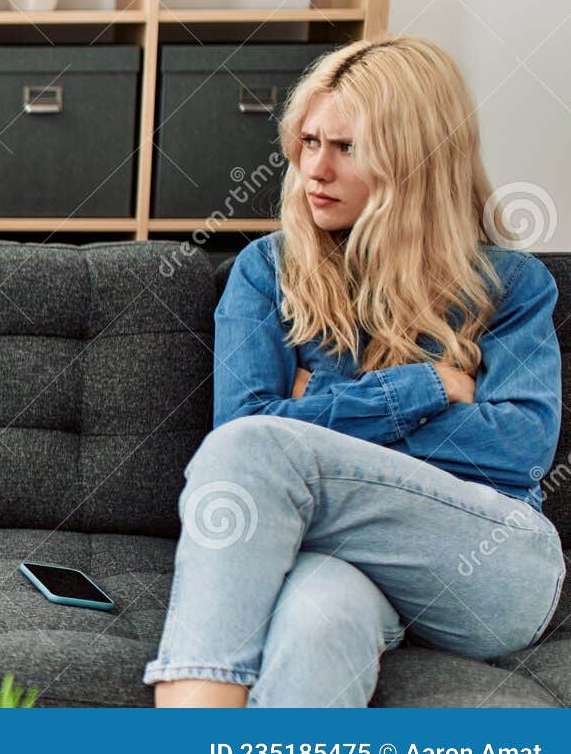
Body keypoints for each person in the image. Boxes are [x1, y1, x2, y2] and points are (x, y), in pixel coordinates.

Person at [143, 36, 566, 707]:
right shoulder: (268, 270)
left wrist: (317, 406)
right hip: (338, 556)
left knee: (261, 449)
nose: (316, 169)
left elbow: (519, 446)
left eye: (345, 148)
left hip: (493, 566)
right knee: (319, 620)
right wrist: (426, 387)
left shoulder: (512, 284)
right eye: (308, 142)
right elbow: (240, 427)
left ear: (415, 161)